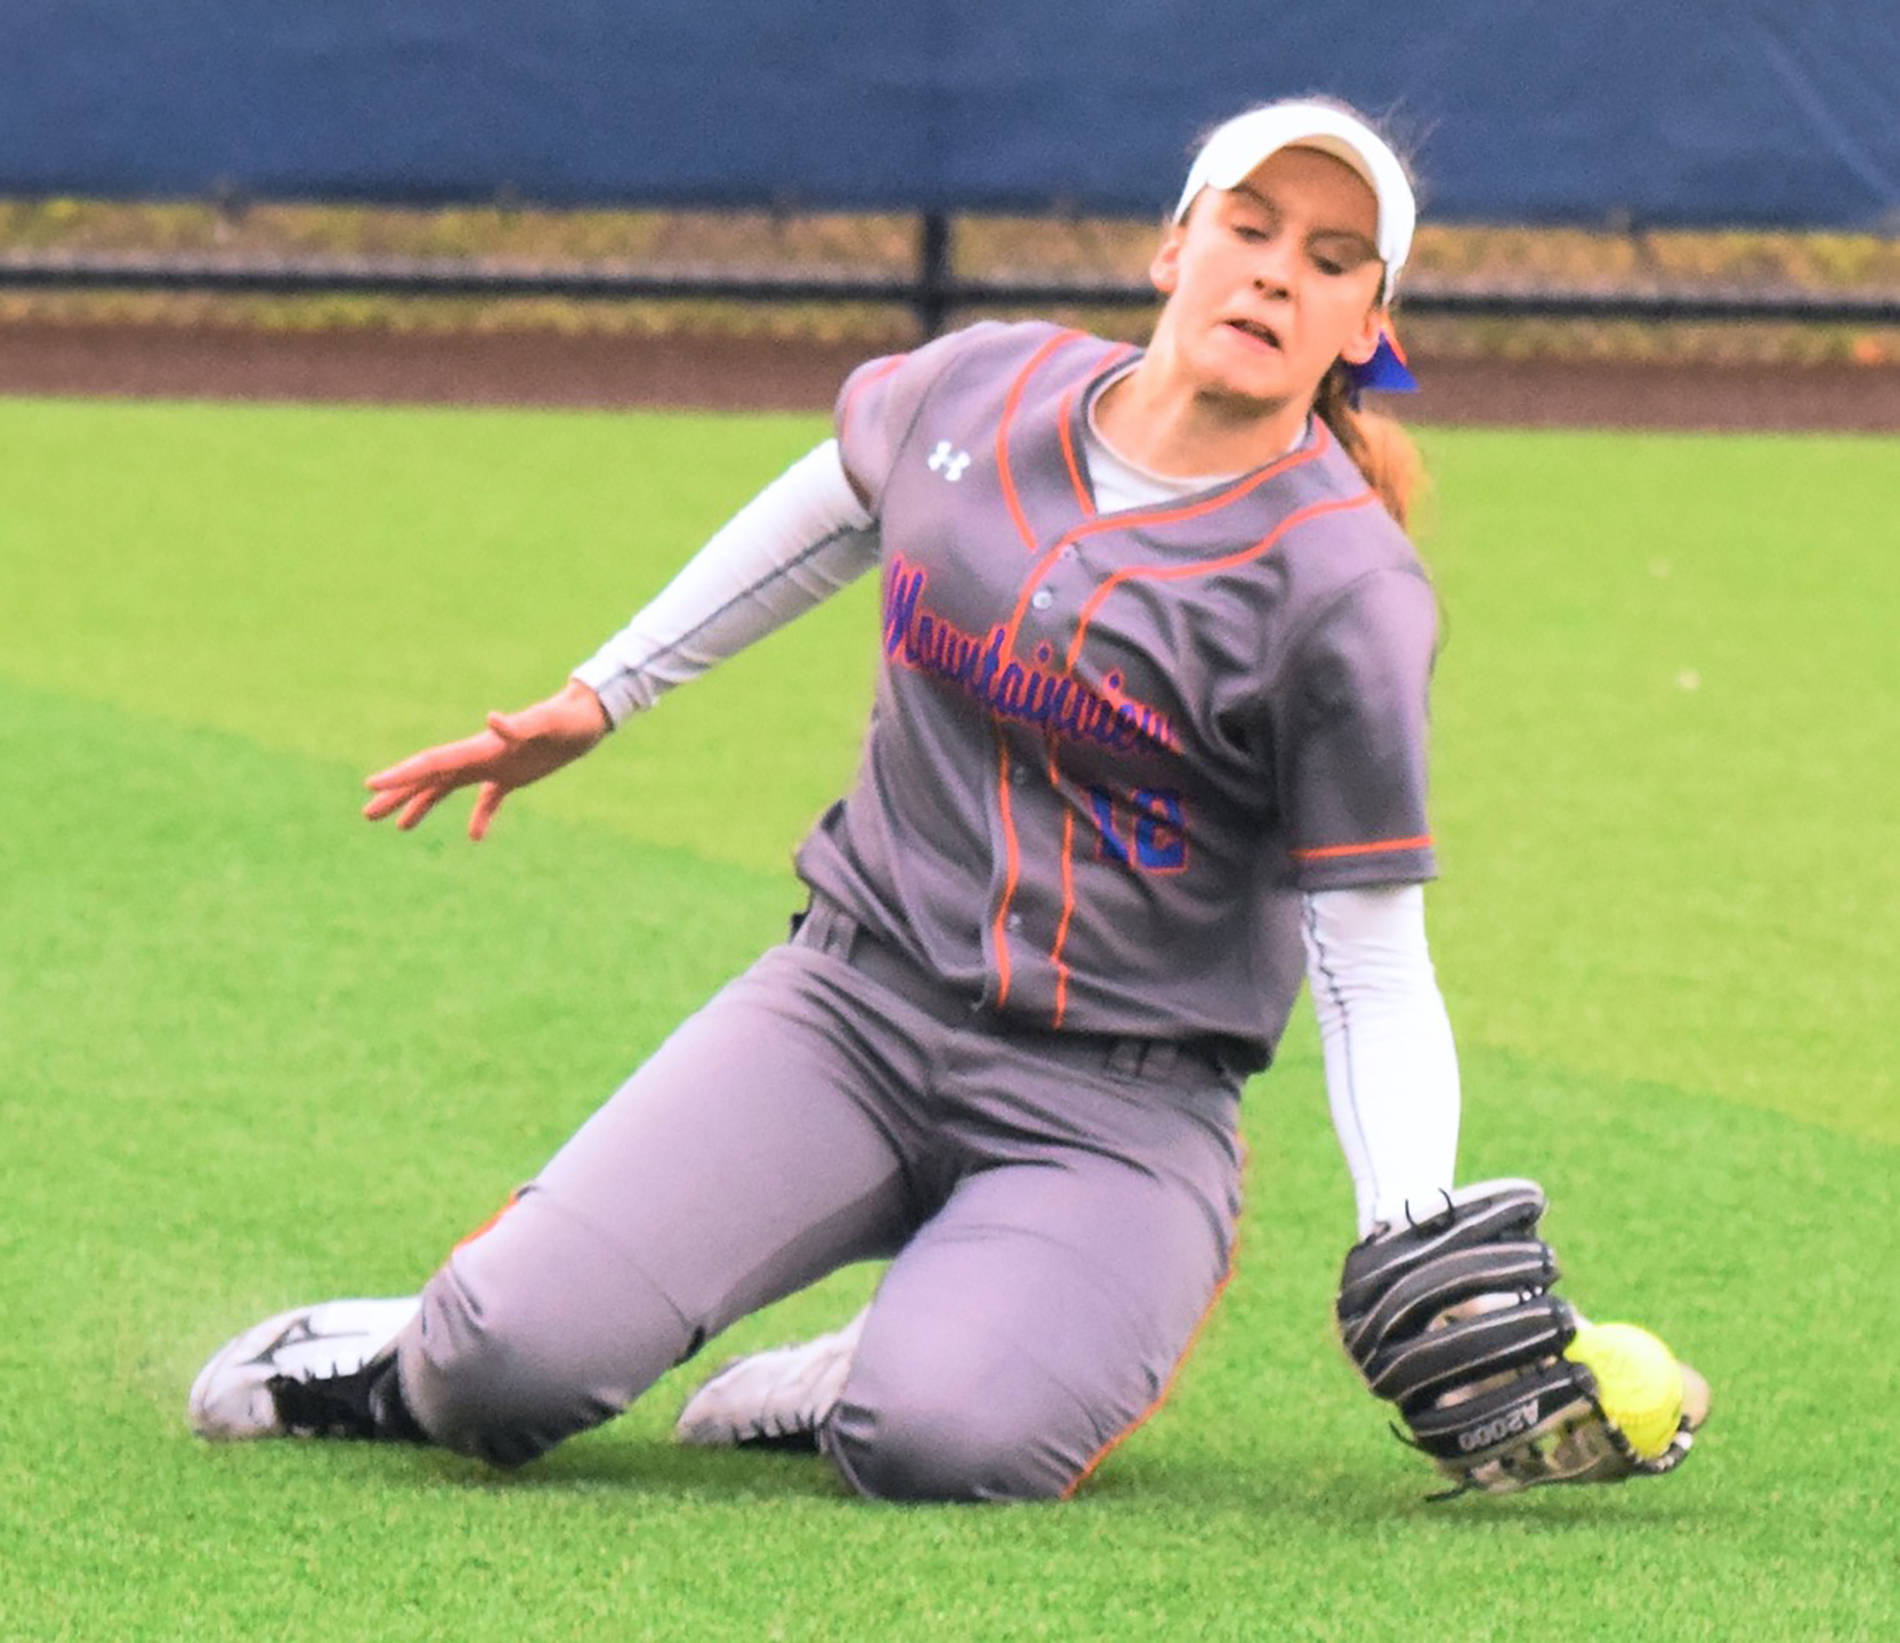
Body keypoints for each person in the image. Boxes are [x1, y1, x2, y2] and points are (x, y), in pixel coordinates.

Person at [190, 98, 1678, 1502]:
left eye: (1334, 260)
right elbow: (833, 503)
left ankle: (875, 1367)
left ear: (1370, 329)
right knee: (506, 1367)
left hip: (1117, 1114)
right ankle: (416, 1347)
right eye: (1252, 225)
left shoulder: (1344, 592)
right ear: (1174, 247)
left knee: (943, 1443)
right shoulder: (987, 386)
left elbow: (1369, 957)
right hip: (845, 1013)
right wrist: (605, 692)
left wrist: (1408, 1223)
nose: (1279, 273)